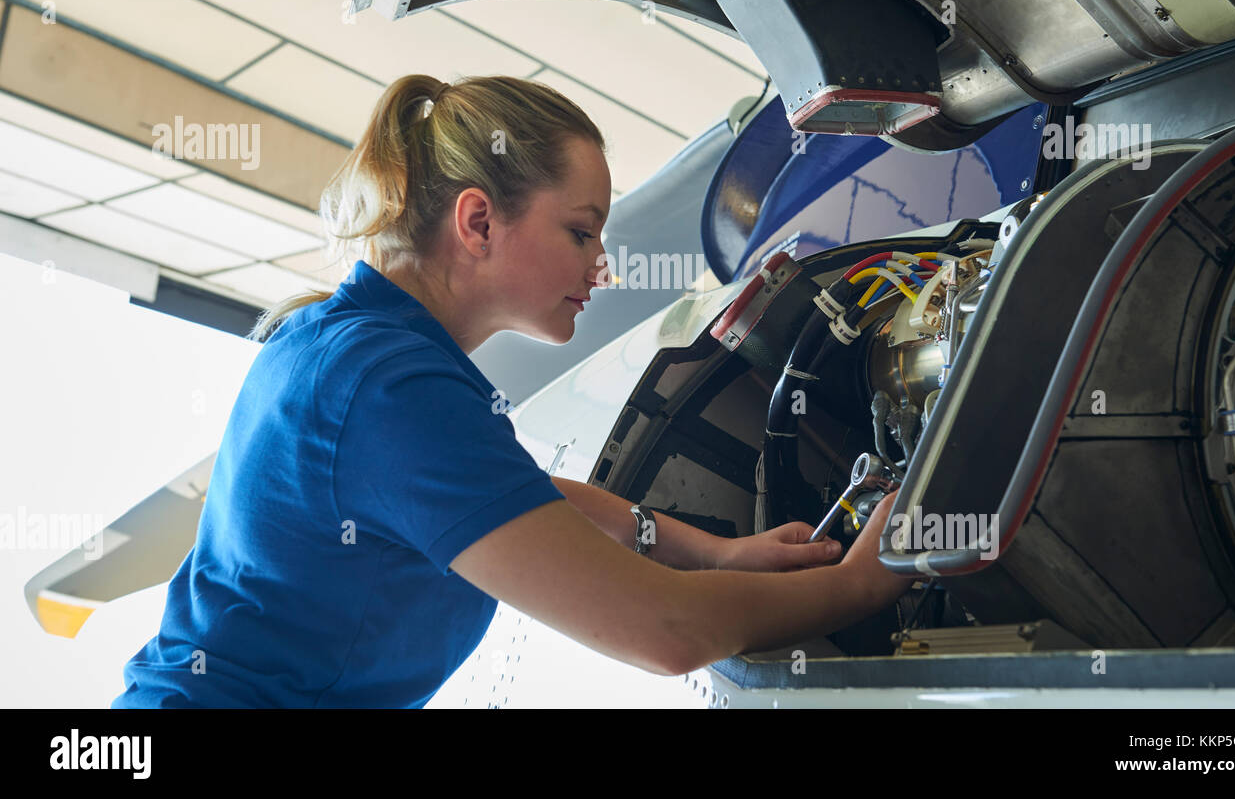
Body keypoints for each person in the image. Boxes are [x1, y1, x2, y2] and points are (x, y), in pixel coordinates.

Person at [112, 74, 913, 708]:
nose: (604, 265)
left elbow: (515, 496)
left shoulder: (345, 346)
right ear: (478, 222)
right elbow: (664, 630)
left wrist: (714, 552)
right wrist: (855, 585)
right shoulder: (387, 388)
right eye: (579, 230)